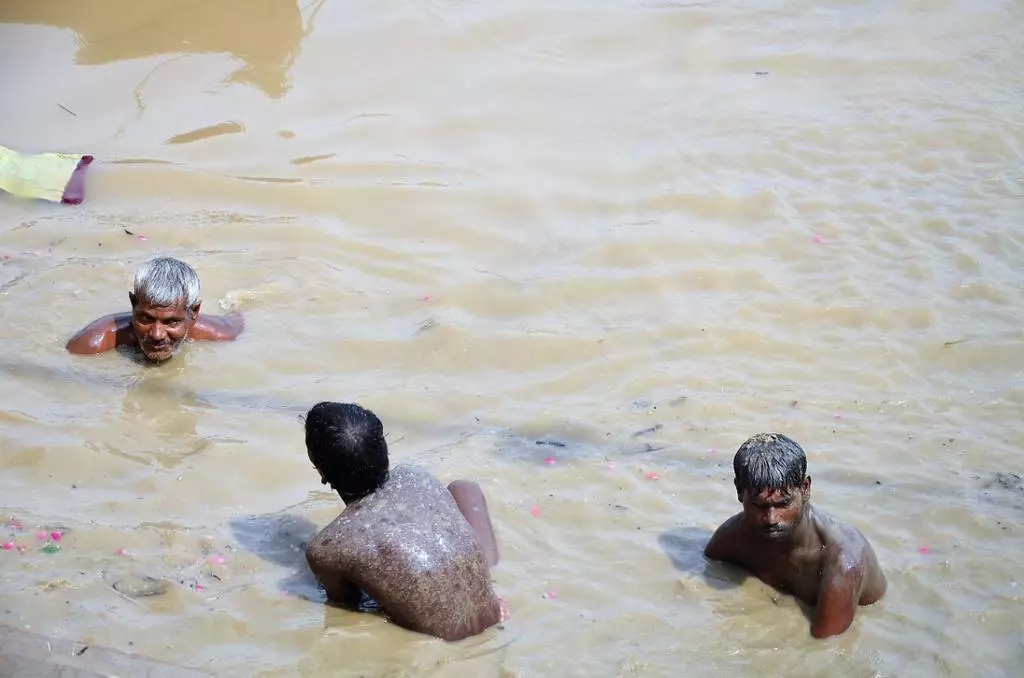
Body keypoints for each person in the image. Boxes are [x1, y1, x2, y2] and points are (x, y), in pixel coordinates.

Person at [303, 402, 506, 641]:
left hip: (444, 643)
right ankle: (491, 574)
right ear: (383, 451)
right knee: (463, 489)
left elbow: (348, 605)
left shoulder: (327, 547)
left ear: (321, 472)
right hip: (494, 615)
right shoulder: (415, 476)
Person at [704, 433, 886, 638]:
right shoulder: (733, 536)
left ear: (805, 489)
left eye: (783, 504)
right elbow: (709, 572)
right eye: (759, 505)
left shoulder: (842, 562)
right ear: (739, 491)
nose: (771, 518)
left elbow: (824, 646)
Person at [66, 256, 243, 361]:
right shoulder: (91, 343)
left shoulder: (223, 333)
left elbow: (240, 318)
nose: (156, 334)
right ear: (133, 304)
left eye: (171, 322)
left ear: (194, 313)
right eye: (146, 319)